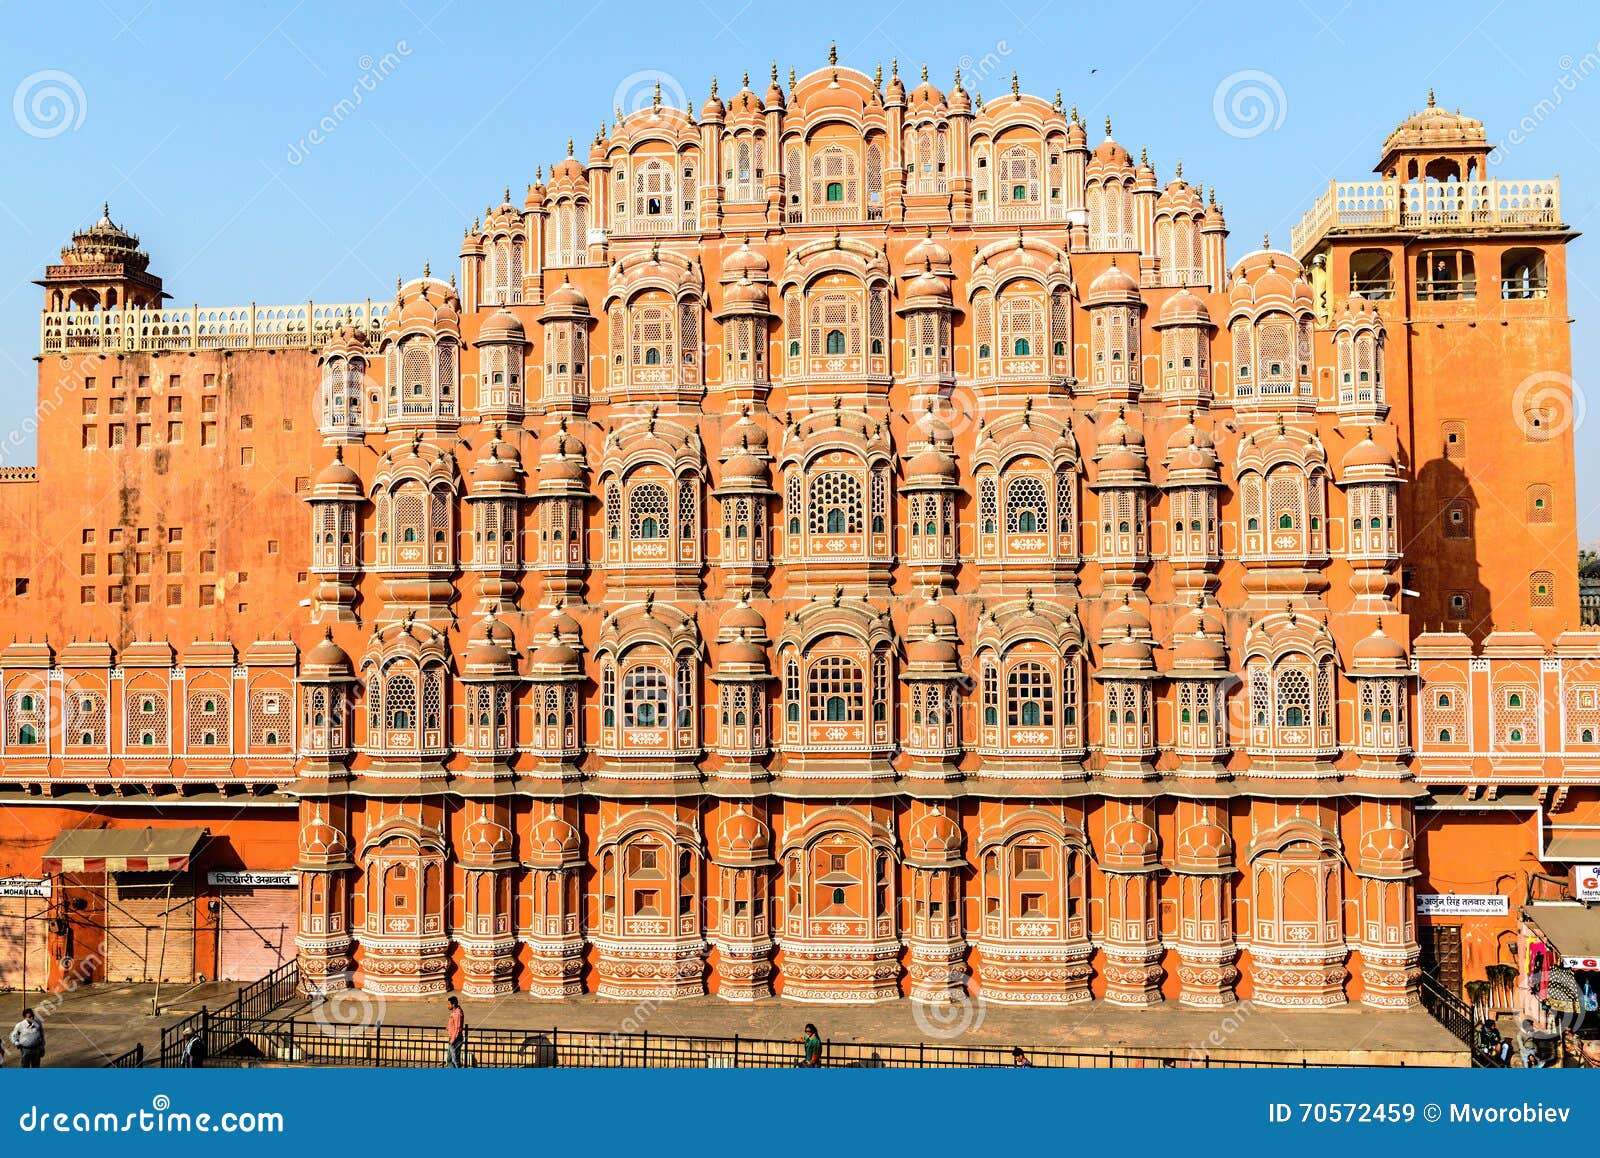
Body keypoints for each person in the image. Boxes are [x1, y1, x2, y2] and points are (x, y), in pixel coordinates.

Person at [445, 996, 467, 1068]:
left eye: (449, 1004)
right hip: (453, 1039)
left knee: (455, 1060)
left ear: (453, 1004)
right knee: (449, 1059)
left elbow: (458, 1028)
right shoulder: (455, 1012)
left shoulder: (457, 1013)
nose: (447, 1006)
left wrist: (452, 1040)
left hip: (455, 1040)